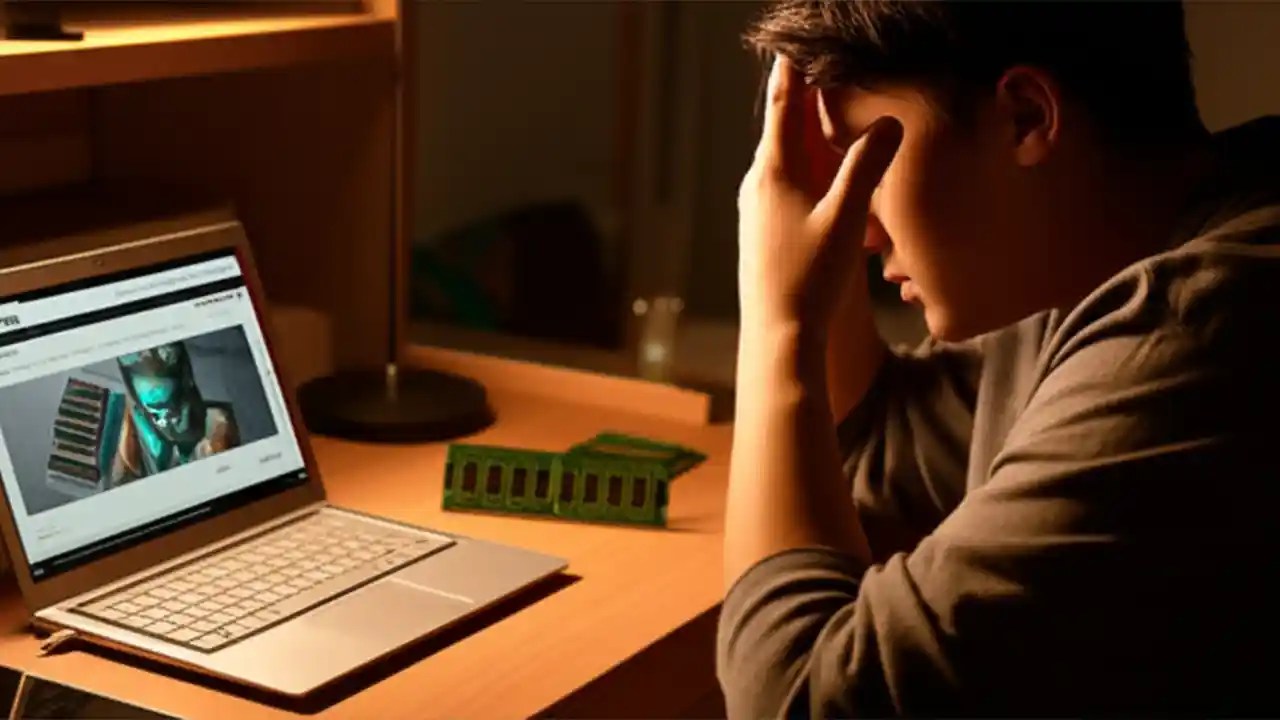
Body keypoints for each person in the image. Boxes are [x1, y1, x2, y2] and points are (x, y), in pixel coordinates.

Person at [718, 1, 1280, 716]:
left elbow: (799, 700)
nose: (858, 230)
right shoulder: (1111, 257)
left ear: (1025, 117)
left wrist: (781, 320)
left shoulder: (1204, 329)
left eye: (869, 162)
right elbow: (880, 447)